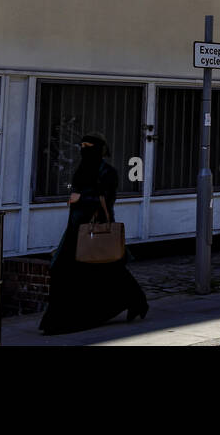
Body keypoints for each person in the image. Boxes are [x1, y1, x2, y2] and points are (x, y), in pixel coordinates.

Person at [39, 132, 148, 335]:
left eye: (88, 146)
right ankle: (136, 300)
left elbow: (107, 199)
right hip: (76, 228)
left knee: (96, 270)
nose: (83, 149)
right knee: (98, 271)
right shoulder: (82, 169)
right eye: (81, 146)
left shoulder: (108, 172)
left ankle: (66, 321)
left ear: (98, 149)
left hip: (95, 228)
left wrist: (80, 198)